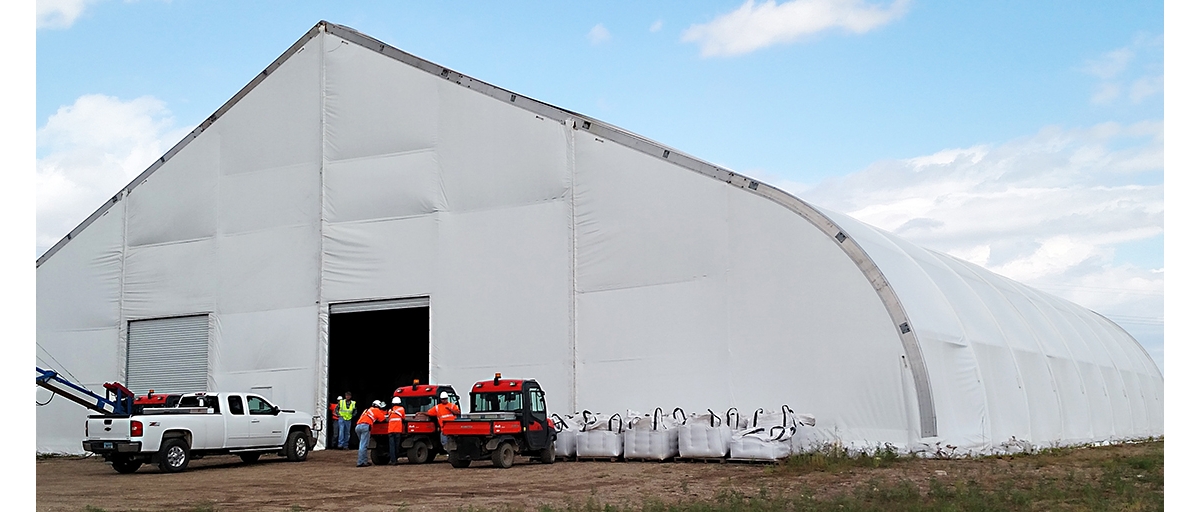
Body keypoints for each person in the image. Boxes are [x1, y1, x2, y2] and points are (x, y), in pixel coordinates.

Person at [356, 400, 388, 467]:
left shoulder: (366, 410)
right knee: (363, 445)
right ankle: (361, 462)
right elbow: (383, 419)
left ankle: (364, 461)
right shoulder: (376, 410)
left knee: (362, 444)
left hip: (358, 426)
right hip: (365, 426)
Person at [386, 396, 406, 465]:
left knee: (392, 446)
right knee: (397, 445)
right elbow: (403, 418)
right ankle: (396, 459)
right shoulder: (401, 409)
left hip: (390, 430)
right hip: (398, 430)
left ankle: (393, 460)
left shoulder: (390, 410)